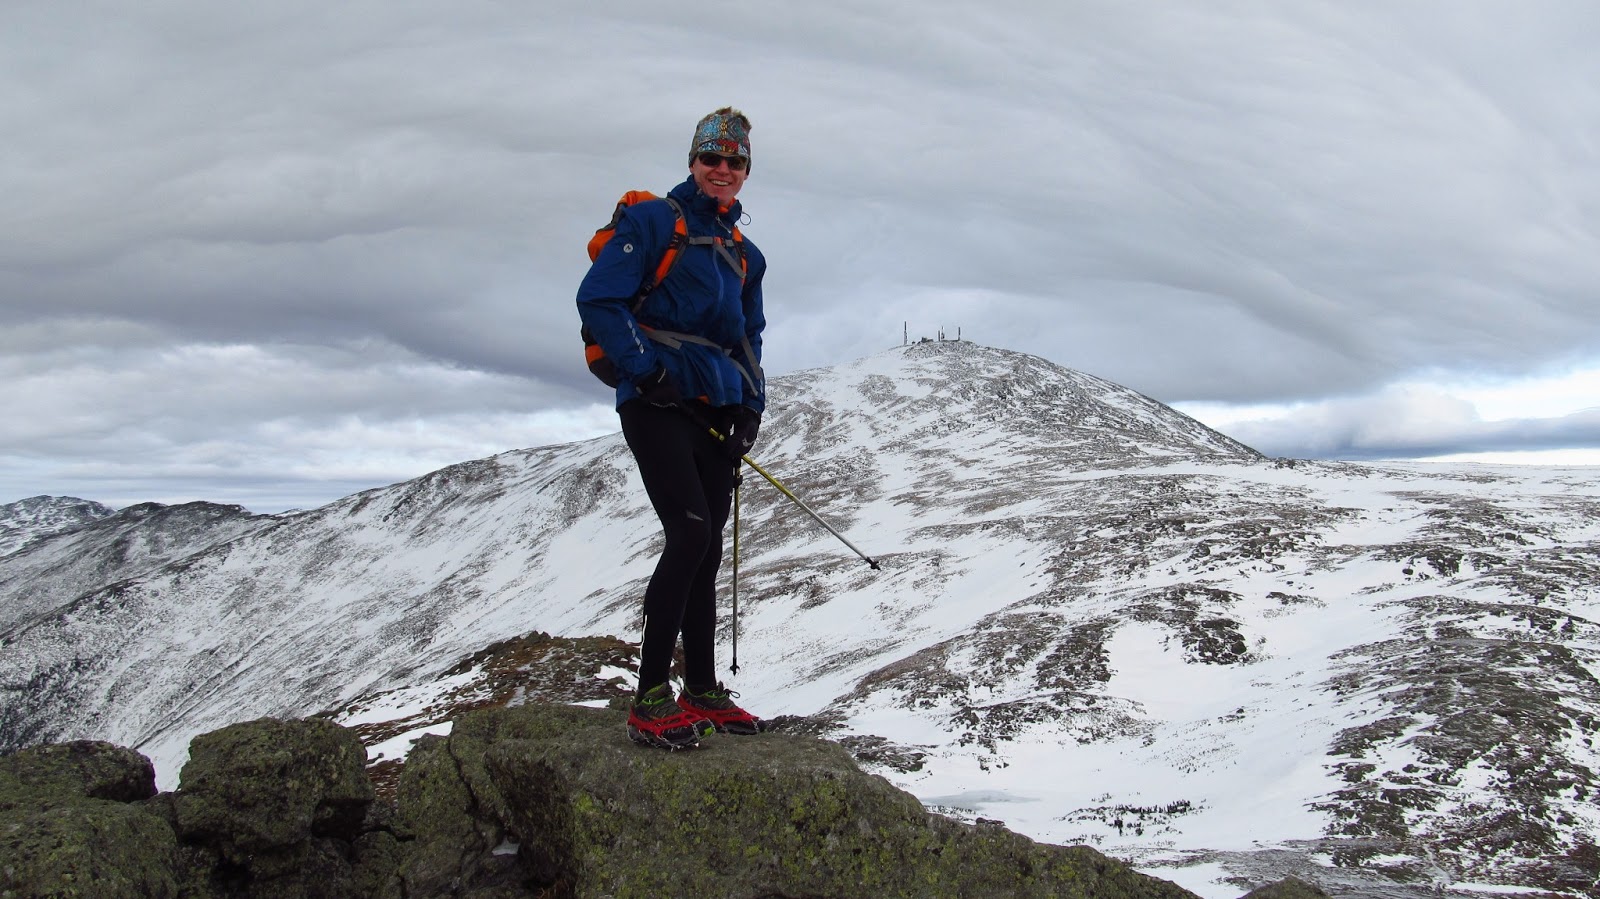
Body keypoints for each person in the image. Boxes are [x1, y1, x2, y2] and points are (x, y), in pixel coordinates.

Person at [575, 107, 767, 749]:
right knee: (687, 533)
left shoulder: (746, 255)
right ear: (693, 162)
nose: (722, 170)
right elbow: (598, 298)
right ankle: (650, 696)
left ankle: (703, 690)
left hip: (713, 409)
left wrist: (749, 409)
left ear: (745, 172)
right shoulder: (654, 221)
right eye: (712, 158)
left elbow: (748, 337)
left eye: (734, 161)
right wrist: (643, 370)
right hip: (655, 401)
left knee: (707, 545)